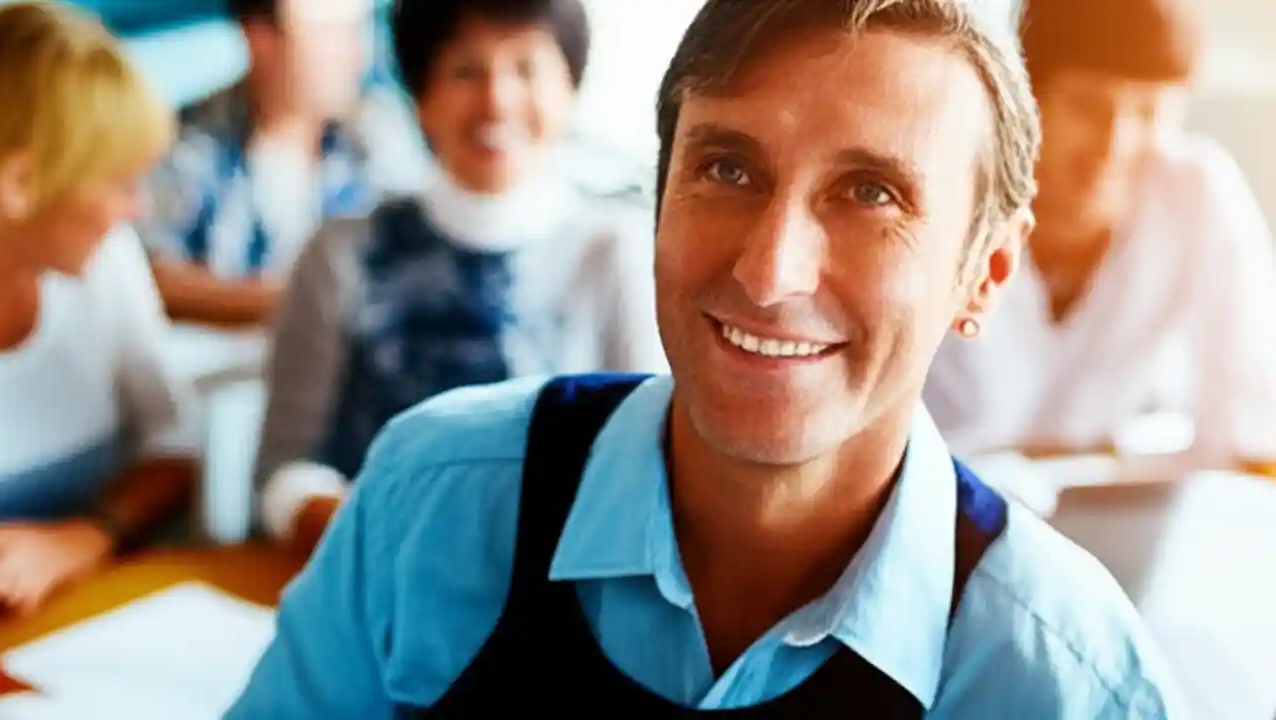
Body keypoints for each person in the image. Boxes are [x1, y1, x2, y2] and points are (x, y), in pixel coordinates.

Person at [228, 0, 1182, 716]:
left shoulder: (1069, 679)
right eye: (727, 169)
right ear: (658, 198)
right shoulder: (428, 504)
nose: (770, 273)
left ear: (986, 272)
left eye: (870, 193)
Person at [250, 0, 665, 553]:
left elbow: (645, 468)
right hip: (373, 576)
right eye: (466, 71)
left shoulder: (618, 251)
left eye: (526, 69)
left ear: (570, 90)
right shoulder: (342, 252)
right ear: (421, 98)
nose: (497, 100)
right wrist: (369, 531)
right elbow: (284, 470)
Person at [925, 0, 1276, 467]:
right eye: (1089, 107)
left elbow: (1253, 424)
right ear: (1027, 97)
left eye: (1150, 112)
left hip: (1115, 526)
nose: (1115, 145)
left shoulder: (1195, 192)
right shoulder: (949, 185)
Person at [0, 2, 197, 614]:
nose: (135, 209)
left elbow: (176, 445)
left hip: (80, 626)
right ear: (21, 182)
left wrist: (86, 535)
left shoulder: (106, 263)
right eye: (119, 181)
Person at [134, 0, 430, 326]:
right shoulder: (185, 140)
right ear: (259, 36)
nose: (355, 53)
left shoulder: (378, 130)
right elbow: (149, 276)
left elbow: (422, 253)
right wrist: (299, 303)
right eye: (329, 34)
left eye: (357, 30)